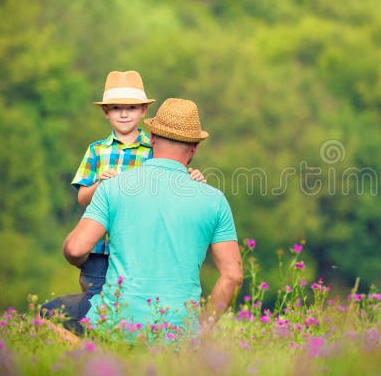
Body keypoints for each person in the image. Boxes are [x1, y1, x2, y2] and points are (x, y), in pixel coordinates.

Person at [44, 98, 242, 337]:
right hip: (178, 333)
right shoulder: (215, 200)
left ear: (153, 138)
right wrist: (198, 333)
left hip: (115, 322)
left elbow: (75, 249)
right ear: (195, 148)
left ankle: (94, 360)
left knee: (50, 313)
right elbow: (232, 276)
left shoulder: (112, 187)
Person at [70, 70, 203, 299]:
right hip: (101, 251)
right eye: (116, 108)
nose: (123, 114)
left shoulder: (154, 151)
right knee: (95, 306)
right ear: (106, 112)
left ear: (143, 111)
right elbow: (83, 197)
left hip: (139, 250)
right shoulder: (97, 150)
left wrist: (192, 178)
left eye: (131, 108)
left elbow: (170, 186)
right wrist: (100, 184)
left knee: (133, 305)